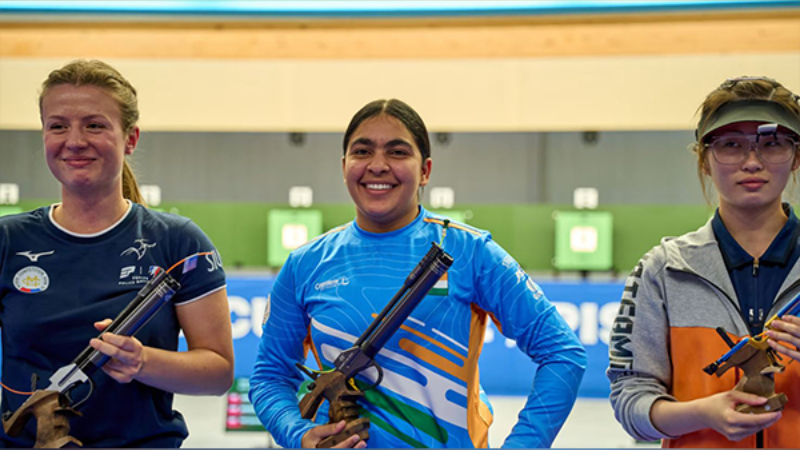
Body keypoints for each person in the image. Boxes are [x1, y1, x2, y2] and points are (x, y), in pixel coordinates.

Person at [249, 98, 587, 448]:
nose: (377, 166)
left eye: (397, 152)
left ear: (425, 170)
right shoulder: (305, 264)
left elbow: (563, 353)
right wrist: (298, 433)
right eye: (362, 151)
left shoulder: (469, 251)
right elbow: (270, 376)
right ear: (344, 165)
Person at [0, 60, 234, 447]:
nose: (74, 140)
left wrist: (143, 362)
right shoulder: (9, 240)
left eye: (94, 125)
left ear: (130, 138)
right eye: (58, 125)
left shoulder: (179, 242)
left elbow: (218, 373)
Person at [607, 76, 800, 448]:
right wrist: (702, 413)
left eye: (772, 144)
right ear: (705, 160)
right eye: (730, 145)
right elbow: (630, 400)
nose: (752, 161)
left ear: (795, 157)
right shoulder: (662, 270)